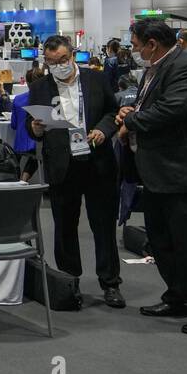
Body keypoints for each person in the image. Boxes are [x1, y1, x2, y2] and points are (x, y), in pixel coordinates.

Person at [115, 18, 187, 334]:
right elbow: (148, 106)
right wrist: (130, 111)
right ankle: (179, 297)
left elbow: (170, 111)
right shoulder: (156, 68)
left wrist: (133, 120)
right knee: (162, 242)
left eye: (135, 43)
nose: (132, 49)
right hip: (159, 173)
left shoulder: (186, 68)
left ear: (152, 43)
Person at [27, 35, 123, 308]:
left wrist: (104, 131)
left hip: (98, 162)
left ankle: (110, 282)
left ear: (72, 55)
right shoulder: (39, 87)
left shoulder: (96, 79)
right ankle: (70, 281)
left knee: (103, 225)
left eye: (63, 60)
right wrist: (34, 129)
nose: (58, 66)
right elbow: (29, 125)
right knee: (64, 226)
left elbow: (112, 112)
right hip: (61, 164)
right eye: (51, 62)